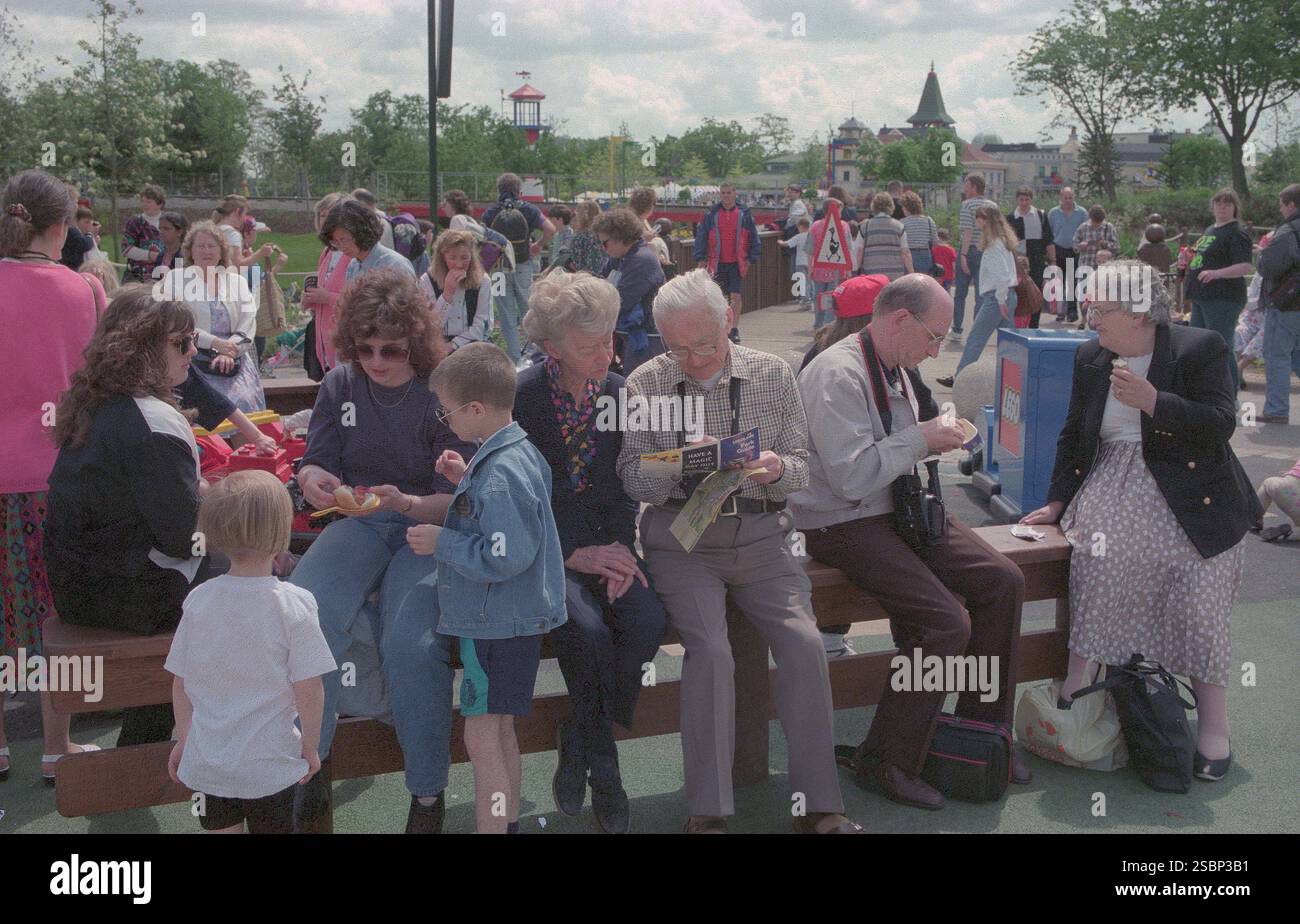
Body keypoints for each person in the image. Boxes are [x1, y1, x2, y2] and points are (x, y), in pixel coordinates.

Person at [616, 269, 861, 835]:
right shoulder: (646, 383)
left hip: (760, 536)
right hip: (683, 541)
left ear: (730, 315)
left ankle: (822, 807)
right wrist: (682, 460)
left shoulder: (773, 373)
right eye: (677, 347)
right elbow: (631, 477)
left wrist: (775, 467)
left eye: (704, 342)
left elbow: (799, 468)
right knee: (711, 654)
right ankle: (707, 813)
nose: (694, 358)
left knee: (804, 647)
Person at [792, 274, 1030, 809]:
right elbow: (851, 479)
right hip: (842, 519)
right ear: (900, 319)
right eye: (935, 337)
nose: (937, 349)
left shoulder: (891, 361)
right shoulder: (837, 373)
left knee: (1004, 581)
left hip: (895, 508)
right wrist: (922, 437)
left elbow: (894, 447)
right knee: (945, 622)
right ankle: (887, 762)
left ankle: (983, 736)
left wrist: (928, 432)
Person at [1021, 260, 1261, 782]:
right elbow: (1072, 436)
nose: (1092, 317)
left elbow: (1220, 425)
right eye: (1090, 306)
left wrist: (1156, 402)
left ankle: (1213, 728)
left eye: (1101, 309)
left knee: (1199, 588)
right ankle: (1076, 698)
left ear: (1140, 314)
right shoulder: (1091, 356)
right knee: (1104, 565)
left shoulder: (1200, 349)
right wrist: (1058, 502)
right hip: (1112, 479)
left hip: (1194, 490)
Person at [288, 268, 476, 834]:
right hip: (361, 521)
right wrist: (315, 477)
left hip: (423, 527)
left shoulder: (442, 389)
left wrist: (410, 502)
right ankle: (309, 767)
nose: (375, 360)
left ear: (414, 342)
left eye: (390, 349)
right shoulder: (339, 384)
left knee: (411, 642)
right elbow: (314, 459)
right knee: (304, 614)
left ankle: (426, 792)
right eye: (364, 348)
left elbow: (461, 500)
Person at [514, 272, 668, 832]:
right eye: (589, 346)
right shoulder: (520, 397)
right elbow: (513, 497)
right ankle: (607, 769)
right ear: (551, 348)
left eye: (609, 340)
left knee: (648, 620)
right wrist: (574, 552)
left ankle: (577, 735)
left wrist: (619, 551)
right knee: (588, 632)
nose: (607, 354)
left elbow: (624, 487)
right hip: (546, 550)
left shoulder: (623, 394)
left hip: (610, 542)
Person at [44, 287, 217, 748]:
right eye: (181, 343)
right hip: (124, 592)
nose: (193, 351)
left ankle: (141, 749)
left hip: (78, 586)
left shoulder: (93, 403)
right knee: (247, 574)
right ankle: (239, 735)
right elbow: (186, 539)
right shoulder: (153, 418)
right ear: (144, 349)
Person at [411, 342, 566, 834]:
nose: (445, 418)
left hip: (492, 622)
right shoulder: (515, 454)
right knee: (500, 733)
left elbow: (505, 554)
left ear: (476, 409)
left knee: (482, 740)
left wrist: (443, 541)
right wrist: (465, 479)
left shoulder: (498, 473)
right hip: (513, 620)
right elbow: (513, 524)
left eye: (448, 409)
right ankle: (507, 825)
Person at [0, 170, 105, 782]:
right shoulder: (85, 290)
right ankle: (54, 744)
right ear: (62, 226)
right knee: (54, 614)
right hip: (59, 474)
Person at [165, 470, 335, 834]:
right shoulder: (295, 604)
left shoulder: (199, 600)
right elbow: (309, 687)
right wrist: (310, 745)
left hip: (209, 761)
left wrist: (185, 739)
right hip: (269, 763)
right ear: (280, 532)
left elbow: (181, 681)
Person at [163, 221, 266, 412]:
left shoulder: (237, 281)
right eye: (200, 246)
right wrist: (215, 344)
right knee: (203, 406)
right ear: (190, 251)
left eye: (212, 246)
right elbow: (177, 324)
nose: (206, 251)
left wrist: (229, 351)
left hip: (235, 357)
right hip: (192, 358)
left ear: (221, 252)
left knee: (243, 401)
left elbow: (248, 321)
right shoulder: (175, 279)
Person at [940, 204, 1019, 385]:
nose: (976, 221)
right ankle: (1011, 378)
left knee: (976, 338)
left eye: (978, 218)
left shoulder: (993, 245)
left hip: (997, 297)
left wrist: (1000, 300)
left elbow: (1001, 276)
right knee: (1008, 342)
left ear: (984, 220)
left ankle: (961, 377)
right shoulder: (1003, 242)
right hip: (1007, 294)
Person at [481, 173, 557, 361]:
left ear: (499, 190)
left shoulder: (490, 212)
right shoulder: (528, 209)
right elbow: (550, 229)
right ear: (519, 191)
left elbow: (481, 238)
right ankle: (534, 355)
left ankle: (515, 358)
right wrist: (538, 245)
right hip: (523, 265)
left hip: (498, 269)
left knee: (505, 313)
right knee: (528, 310)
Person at [1184, 190, 1254, 391]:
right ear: (1212, 206)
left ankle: (1230, 392)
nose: (1222, 207)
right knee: (1199, 344)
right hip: (1201, 295)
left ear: (1235, 208)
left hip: (1223, 297)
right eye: (1219, 203)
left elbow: (1245, 266)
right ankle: (1207, 388)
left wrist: (1217, 273)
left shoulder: (1236, 232)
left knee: (1220, 345)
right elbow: (1201, 259)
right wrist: (1189, 260)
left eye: (1227, 204)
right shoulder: (1210, 230)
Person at [595, 206, 666, 373]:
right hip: (633, 333)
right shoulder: (624, 257)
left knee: (637, 387)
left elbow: (620, 301)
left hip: (648, 337)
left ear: (620, 238)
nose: (603, 248)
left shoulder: (641, 260)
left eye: (605, 243)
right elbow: (597, 280)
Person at [1255, 183, 1300, 424]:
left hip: (1287, 302)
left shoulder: (1287, 231)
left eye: (1282, 204)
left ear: (1291, 204)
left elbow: (1269, 266)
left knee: (1277, 355)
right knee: (1297, 356)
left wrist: (1261, 253)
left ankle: (1276, 409)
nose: (1280, 209)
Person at [693, 183, 760, 344]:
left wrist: (751, 258)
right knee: (719, 297)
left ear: (734, 193)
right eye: (723, 193)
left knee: (735, 296)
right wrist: (700, 257)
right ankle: (722, 328)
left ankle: (734, 328)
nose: (726, 195)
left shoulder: (744, 213)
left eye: (729, 192)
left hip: (737, 262)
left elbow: (753, 236)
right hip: (716, 262)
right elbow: (701, 236)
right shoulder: (711, 213)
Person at [301, 192, 354, 381]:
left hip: (346, 341)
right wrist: (311, 300)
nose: (325, 220)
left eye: (330, 214)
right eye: (322, 215)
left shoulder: (353, 253)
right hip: (325, 342)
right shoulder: (327, 252)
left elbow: (362, 300)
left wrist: (327, 297)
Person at [418, 228, 493, 350]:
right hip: (438, 344)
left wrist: (454, 345)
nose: (459, 264)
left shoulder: (483, 280)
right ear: (443, 258)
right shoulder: (427, 281)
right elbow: (430, 326)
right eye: (452, 258)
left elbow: (483, 325)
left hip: (473, 344)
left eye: (464, 258)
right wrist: (447, 293)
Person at [321, 198, 415, 283]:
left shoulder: (394, 265)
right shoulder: (353, 266)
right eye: (335, 242)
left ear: (361, 232)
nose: (341, 247)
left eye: (344, 240)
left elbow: (410, 301)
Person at [951, 174, 997, 341]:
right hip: (987, 251)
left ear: (974, 187)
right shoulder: (993, 206)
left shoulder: (967, 205)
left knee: (960, 293)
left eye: (966, 185)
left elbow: (967, 232)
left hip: (970, 251)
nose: (965, 188)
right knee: (981, 294)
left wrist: (963, 255)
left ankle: (957, 329)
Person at [809, 196, 857, 330]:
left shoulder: (815, 226)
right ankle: (828, 327)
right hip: (837, 269)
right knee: (832, 298)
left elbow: (810, 250)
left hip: (818, 268)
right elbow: (847, 249)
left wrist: (810, 268)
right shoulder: (844, 226)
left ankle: (818, 324)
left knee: (819, 298)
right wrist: (848, 269)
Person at [1047, 186, 1088, 323]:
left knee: (1071, 282)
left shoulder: (1082, 213)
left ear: (1074, 197)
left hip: (1073, 250)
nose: (1068, 200)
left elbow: (1086, 232)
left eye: (1070, 197)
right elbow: (1049, 232)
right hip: (1058, 249)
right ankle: (1060, 311)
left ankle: (1072, 311)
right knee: (1058, 282)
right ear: (1061, 197)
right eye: (1066, 197)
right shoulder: (1053, 213)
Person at [860, 191, 913, 280]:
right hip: (894, 273)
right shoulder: (899, 226)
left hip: (871, 273)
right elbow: (905, 252)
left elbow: (859, 250)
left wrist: (857, 269)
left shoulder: (865, 226)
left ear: (873, 206)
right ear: (891, 206)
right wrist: (911, 272)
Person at [1007, 186, 1049, 295]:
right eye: (1021, 200)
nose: (1024, 203)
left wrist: (1052, 261)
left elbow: (1048, 240)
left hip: (1037, 260)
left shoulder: (1041, 215)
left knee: (1036, 290)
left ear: (1031, 199)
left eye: (1027, 200)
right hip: (1019, 260)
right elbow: (1007, 242)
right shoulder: (1011, 218)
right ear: (1017, 200)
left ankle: (1036, 313)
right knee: (1020, 291)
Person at [122, 184, 166, 282]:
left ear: (160, 204)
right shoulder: (135, 222)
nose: (144, 204)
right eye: (143, 201)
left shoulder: (170, 223)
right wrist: (150, 255)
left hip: (164, 278)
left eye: (148, 201)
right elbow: (126, 249)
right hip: (138, 278)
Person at [550, 200, 606, 276]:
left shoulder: (581, 237)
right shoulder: (602, 235)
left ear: (583, 216)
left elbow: (577, 264)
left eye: (577, 214)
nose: (574, 218)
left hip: (583, 279)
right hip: (601, 278)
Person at [1253, 456, 1300, 542]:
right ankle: (1292, 530)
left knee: (1268, 483)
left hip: (1289, 489)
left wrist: (1290, 474)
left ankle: (1255, 518)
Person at [901, 191, 938, 277]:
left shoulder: (902, 222)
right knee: (923, 283)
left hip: (909, 255)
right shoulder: (929, 220)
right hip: (925, 255)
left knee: (909, 282)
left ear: (907, 208)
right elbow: (935, 242)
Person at [779, 216, 813, 310]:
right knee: (810, 282)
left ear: (801, 227)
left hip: (800, 262)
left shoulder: (799, 236)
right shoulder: (812, 235)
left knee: (802, 282)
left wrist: (780, 241)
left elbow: (786, 244)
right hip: (810, 262)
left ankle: (806, 301)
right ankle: (812, 300)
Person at [152, 211, 189, 279]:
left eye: (166, 229)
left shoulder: (183, 256)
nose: (161, 232)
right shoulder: (160, 256)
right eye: (160, 228)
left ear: (179, 232)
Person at [933, 227, 957, 295]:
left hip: (938, 275)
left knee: (937, 293)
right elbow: (954, 264)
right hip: (948, 275)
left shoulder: (935, 249)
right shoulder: (951, 250)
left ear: (938, 237)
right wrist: (955, 273)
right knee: (947, 293)